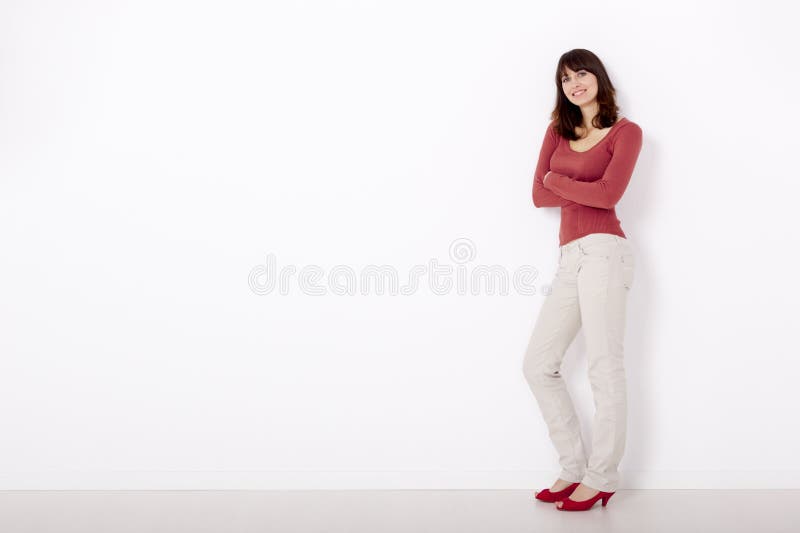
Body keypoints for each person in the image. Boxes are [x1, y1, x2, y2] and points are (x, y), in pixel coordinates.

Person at [522, 49, 643, 512]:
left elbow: (610, 195)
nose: (575, 83)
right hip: (570, 257)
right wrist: (566, 185)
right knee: (538, 364)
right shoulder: (557, 131)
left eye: (582, 73)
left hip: (606, 253)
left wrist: (556, 178)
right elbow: (536, 196)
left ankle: (603, 475)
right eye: (566, 78)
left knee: (603, 366)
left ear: (598, 78)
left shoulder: (626, 133)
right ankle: (573, 468)